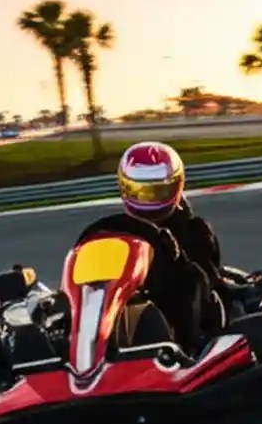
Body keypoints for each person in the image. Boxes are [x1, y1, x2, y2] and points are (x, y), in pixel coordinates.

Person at [75, 141, 224, 350]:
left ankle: (181, 350)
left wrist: (172, 258)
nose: (149, 199)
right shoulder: (106, 232)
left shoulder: (194, 231)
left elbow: (203, 285)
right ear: (124, 187)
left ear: (176, 186)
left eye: (158, 191)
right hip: (113, 313)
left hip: (173, 320)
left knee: (188, 284)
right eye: (140, 191)